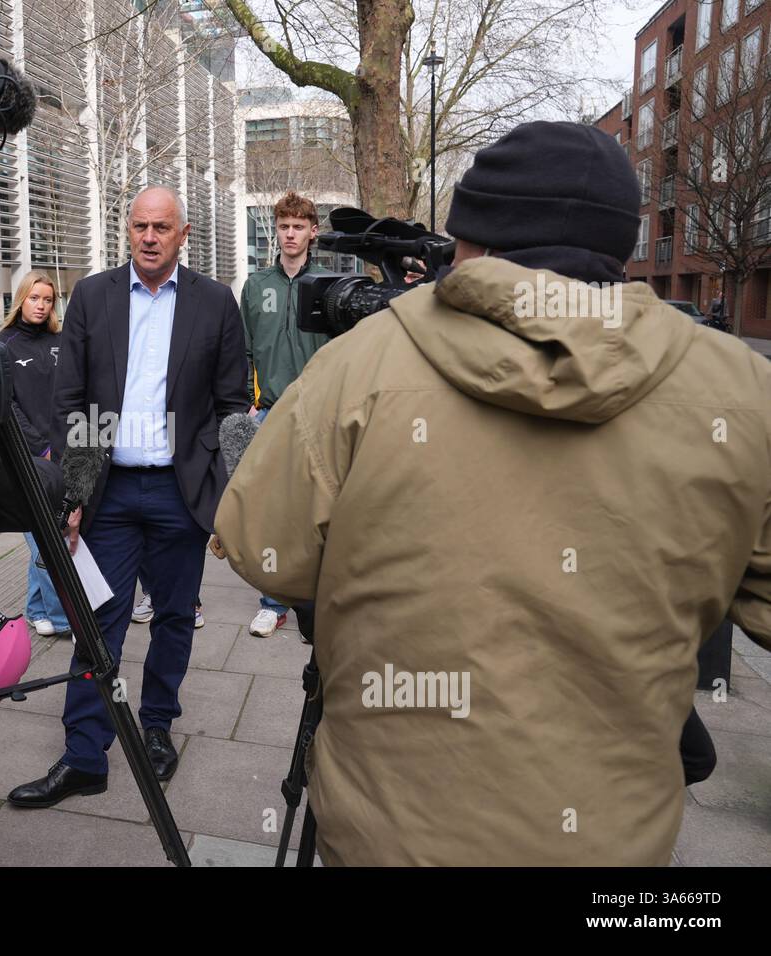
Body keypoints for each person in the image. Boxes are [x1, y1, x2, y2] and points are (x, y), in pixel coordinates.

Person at [215, 120, 771, 865]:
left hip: (388, 833)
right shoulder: (742, 392)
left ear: (470, 239)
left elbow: (264, 552)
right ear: (618, 243)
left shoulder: (364, 361)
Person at [7, 186, 249, 806]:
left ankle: (158, 727)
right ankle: (85, 754)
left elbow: (229, 408)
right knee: (98, 621)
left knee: (173, 617)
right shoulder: (94, 295)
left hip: (179, 490)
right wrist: (78, 490)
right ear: (128, 230)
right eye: (139, 225)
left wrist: (226, 496)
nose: (148, 236)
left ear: (183, 234)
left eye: (161, 227)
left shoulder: (216, 303)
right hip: (110, 491)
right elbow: (73, 398)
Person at [237, 189, 330, 637]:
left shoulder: (329, 286)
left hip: (321, 411)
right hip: (271, 410)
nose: (290, 234)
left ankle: (318, 596)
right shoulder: (256, 286)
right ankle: (273, 602)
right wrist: (247, 404)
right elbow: (244, 350)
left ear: (313, 232)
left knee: (319, 507)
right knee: (273, 509)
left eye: (298, 227)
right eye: (283, 226)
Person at [0, 270, 70, 637]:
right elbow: (5, 406)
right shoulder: (2, 345)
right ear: (21, 299)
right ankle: (59, 617)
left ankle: (36, 608)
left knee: (48, 533)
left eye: (48, 299)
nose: (41, 305)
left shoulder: (62, 341)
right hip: (29, 456)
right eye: (34, 298)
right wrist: (38, 446)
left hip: (63, 452)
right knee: (47, 536)